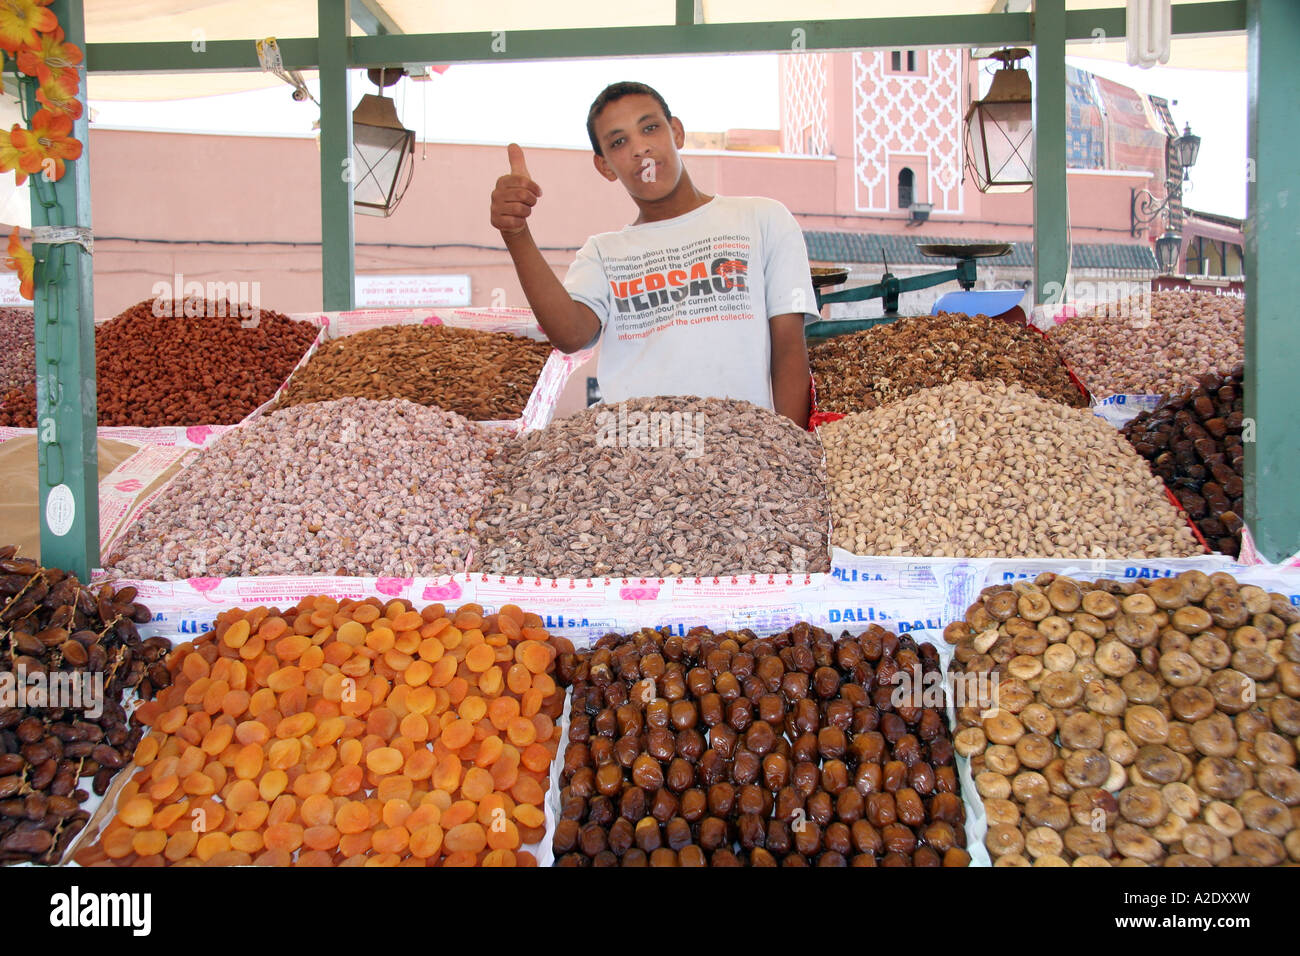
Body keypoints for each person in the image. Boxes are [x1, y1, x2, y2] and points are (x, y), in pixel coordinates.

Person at [489, 81, 817, 425]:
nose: (640, 148)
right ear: (604, 166)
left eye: (650, 128)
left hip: (745, 455)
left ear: (676, 132)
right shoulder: (603, 253)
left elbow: (789, 349)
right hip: (641, 462)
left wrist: (789, 457)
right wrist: (516, 234)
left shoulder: (762, 219)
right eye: (619, 142)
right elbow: (570, 336)